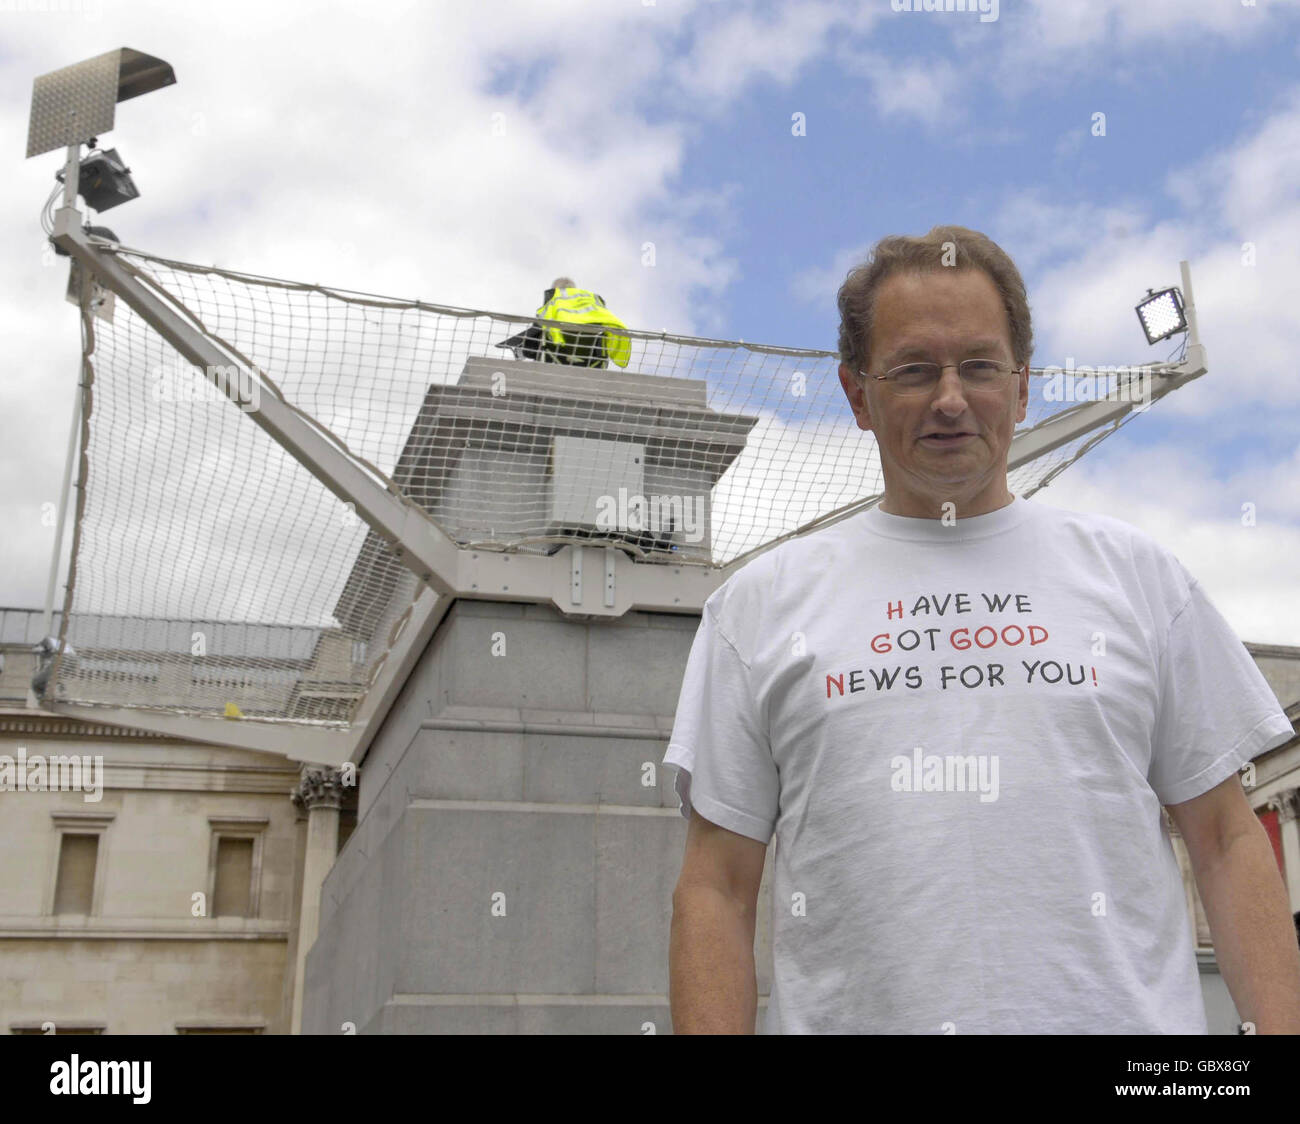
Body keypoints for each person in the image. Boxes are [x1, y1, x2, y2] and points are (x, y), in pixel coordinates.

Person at [664, 225, 1300, 1034]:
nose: (951, 398)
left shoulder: (1143, 581)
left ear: (1023, 387)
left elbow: (1224, 840)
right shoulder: (756, 610)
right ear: (858, 395)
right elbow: (716, 887)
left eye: (979, 365)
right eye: (914, 370)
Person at [494, 277, 631, 369]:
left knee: (540, 336)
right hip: (590, 361)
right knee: (598, 336)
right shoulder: (592, 300)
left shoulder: (555, 298)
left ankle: (521, 354)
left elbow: (540, 325)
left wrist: (521, 346)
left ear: (555, 289)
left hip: (556, 356)